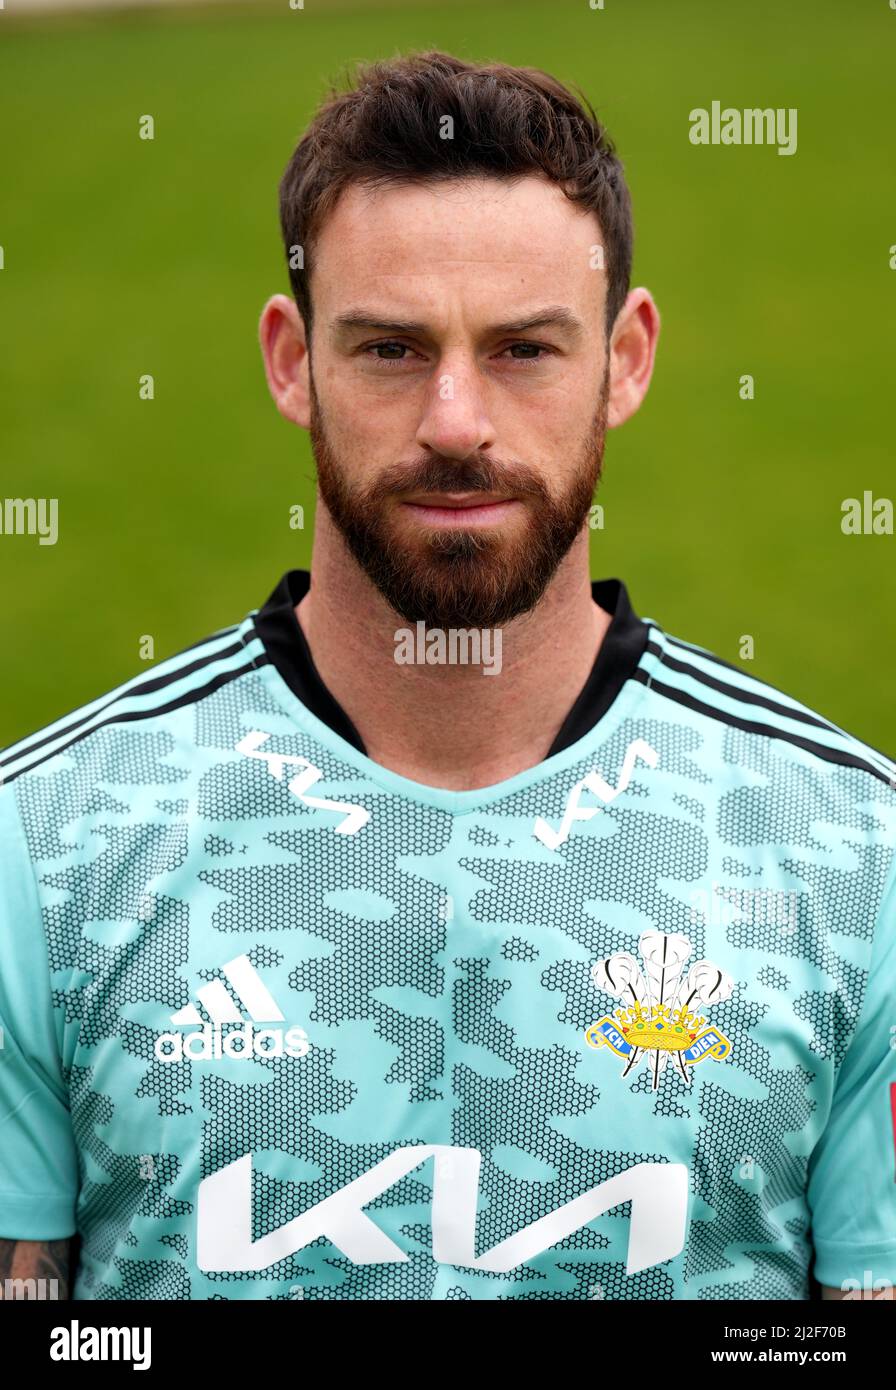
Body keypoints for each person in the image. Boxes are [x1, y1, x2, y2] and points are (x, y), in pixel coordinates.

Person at [1, 51, 893, 1302]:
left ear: (624, 359)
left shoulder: (852, 851)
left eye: (525, 350)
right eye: (388, 351)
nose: (457, 421)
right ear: (290, 359)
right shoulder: (42, 848)